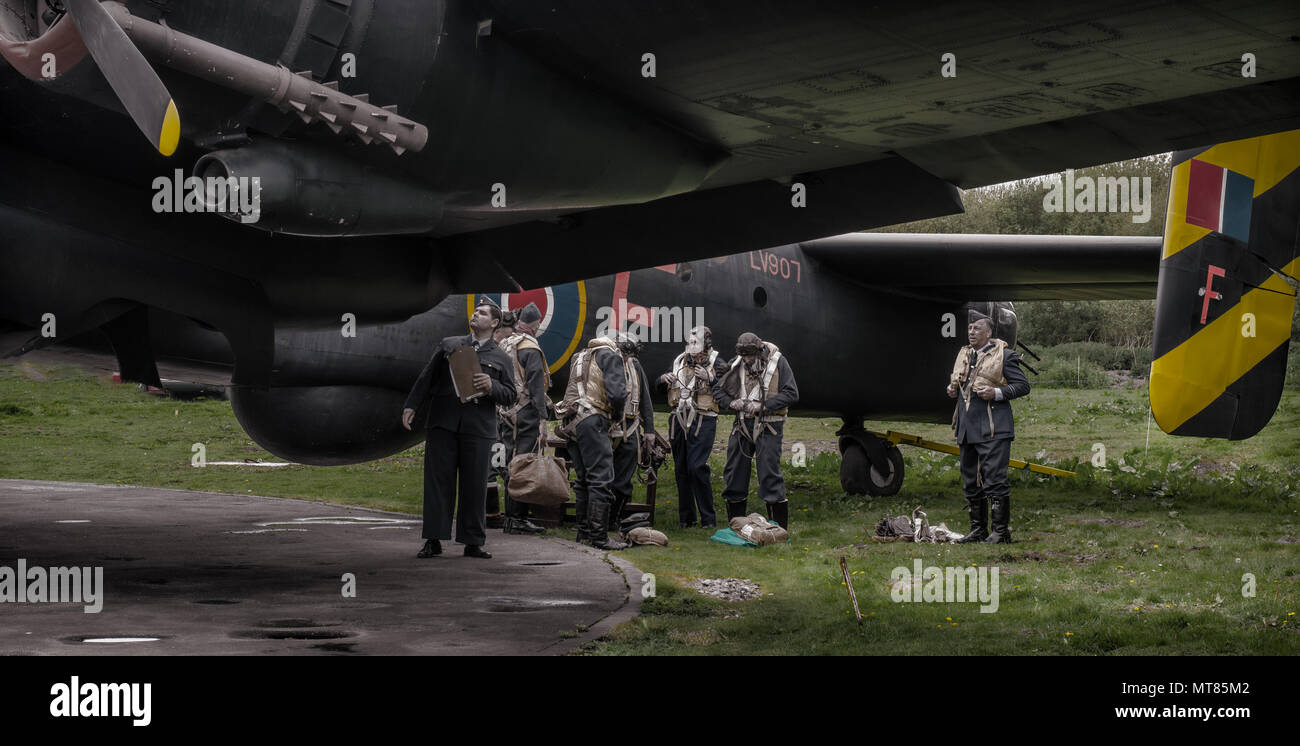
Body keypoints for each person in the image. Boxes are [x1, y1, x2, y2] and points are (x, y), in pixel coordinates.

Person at [401, 298, 516, 559]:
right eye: (476, 311)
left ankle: (473, 542)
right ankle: (433, 539)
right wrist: (411, 405)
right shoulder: (450, 345)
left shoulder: (501, 358)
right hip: (444, 422)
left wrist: (491, 387)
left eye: (483, 313)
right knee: (437, 483)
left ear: (494, 323)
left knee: (474, 485)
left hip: (478, 428)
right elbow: (427, 378)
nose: (476, 314)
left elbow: (510, 395)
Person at [946, 309, 1031, 544]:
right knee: (970, 480)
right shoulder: (965, 355)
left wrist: (996, 392)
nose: (972, 333)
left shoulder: (1005, 356)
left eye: (977, 328)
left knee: (994, 479)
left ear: (989, 332)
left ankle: (1000, 532)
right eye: (970, 328)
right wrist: (952, 389)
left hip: (994, 428)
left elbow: (1023, 386)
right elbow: (961, 383)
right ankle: (978, 530)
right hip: (967, 428)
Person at [712, 332, 798, 530]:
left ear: (758, 350)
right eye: (744, 356)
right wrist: (731, 402)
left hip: (769, 426)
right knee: (734, 473)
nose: (747, 360)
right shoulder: (738, 362)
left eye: (750, 356)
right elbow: (718, 389)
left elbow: (792, 393)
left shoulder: (778, 362)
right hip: (742, 425)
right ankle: (736, 526)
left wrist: (763, 406)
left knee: (769, 474)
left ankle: (778, 529)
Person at [556, 336, 628, 550]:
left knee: (584, 478)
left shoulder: (580, 356)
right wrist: (616, 417)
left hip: (573, 421)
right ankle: (599, 537)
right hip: (594, 419)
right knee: (600, 478)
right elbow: (617, 394)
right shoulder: (610, 355)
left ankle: (584, 532)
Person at [658, 326, 728, 528]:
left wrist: (711, 379)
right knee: (681, 469)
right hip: (678, 418)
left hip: (703, 420)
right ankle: (686, 518)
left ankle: (708, 518)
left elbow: (727, 395)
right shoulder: (679, 362)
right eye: (689, 342)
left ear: (706, 344)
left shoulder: (718, 364)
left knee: (697, 467)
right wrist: (663, 379)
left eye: (695, 342)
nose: (691, 346)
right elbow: (658, 385)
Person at [497, 302, 550, 535]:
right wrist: (543, 418)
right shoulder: (530, 348)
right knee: (524, 463)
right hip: (526, 412)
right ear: (536, 325)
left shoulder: (507, 343)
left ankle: (511, 516)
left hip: (506, 411)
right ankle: (516, 518)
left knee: (511, 462)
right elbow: (537, 387)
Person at [609, 333, 658, 534]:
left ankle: (615, 519)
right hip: (608, 427)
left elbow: (645, 398)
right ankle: (597, 520)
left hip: (629, 427)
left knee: (623, 480)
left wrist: (649, 431)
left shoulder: (635, 365)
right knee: (602, 477)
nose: (627, 357)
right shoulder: (605, 361)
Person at [485, 308, 518, 528]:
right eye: (509, 330)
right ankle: (491, 514)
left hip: (496, 415)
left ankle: (491, 514)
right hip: (492, 416)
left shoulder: (495, 348)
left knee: (495, 463)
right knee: (493, 464)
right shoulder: (494, 351)